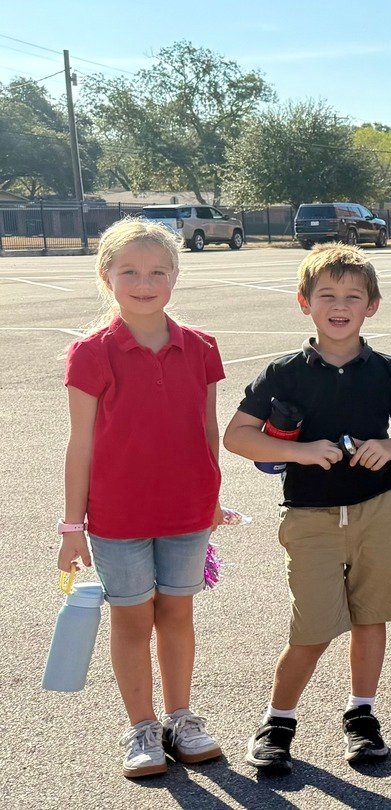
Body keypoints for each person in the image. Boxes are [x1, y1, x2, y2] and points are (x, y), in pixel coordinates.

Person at [224, 245, 391, 774]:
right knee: (311, 629)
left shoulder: (387, 371)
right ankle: (278, 721)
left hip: (376, 509)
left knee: (371, 617)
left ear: (372, 306)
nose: (340, 305)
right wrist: (299, 451)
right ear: (304, 303)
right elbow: (237, 437)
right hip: (310, 518)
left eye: (353, 296)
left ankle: (362, 716)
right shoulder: (284, 373)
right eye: (327, 295)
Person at [58, 219, 226, 778]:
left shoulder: (202, 347)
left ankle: (180, 718)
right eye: (128, 270)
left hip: (186, 511)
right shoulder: (91, 353)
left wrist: (212, 500)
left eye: (157, 270)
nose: (143, 281)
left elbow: (208, 431)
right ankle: (142, 728)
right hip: (117, 516)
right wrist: (71, 527)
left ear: (176, 275)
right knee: (132, 620)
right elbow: (80, 444)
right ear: (106, 276)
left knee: (177, 614)